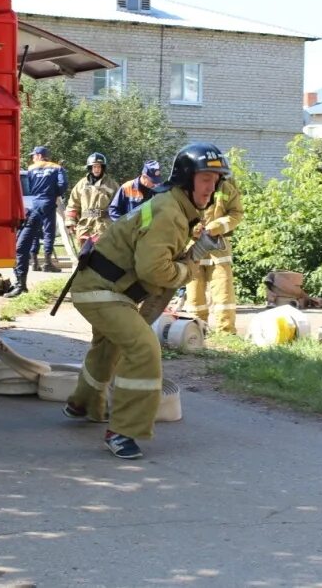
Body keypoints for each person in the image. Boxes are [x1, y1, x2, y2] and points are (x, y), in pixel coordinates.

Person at [63, 143, 229, 459]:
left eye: (216, 179)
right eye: (205, 178)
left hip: (103, 288)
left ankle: (81, 404)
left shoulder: (175, 207)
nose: (212, 186)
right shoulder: (171, 212)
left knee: (109, 346)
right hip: (101, 291)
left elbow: (161, 261)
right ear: (186, 178)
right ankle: (123, 431)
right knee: (143, 348)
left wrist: (194, 252)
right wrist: (191, 265)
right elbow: (155, 270)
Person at [183, 175, 244, 333]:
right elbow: (177, 213)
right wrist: (192, 228)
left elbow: (236, 213)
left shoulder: (226, 187)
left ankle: (226, 331)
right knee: (194, 293)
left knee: (223, 290)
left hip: (218, 247)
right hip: (193, 245)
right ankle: (196, 330)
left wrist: (215, 227)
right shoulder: (187, 184)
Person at [5, 146, 67, 297]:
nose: (33, 158)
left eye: (34, 155)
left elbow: (31, 186)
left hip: (34, 204)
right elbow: (63, 186)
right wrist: (53, 194)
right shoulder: (57, 168)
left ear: (39, 156)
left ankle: (31, 265)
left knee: (28, 238)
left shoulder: (31, 168)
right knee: (48, 231)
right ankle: (47, 262)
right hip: (48, 202)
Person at [65, 152, 120, 246]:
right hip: (85, 225)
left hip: (104, 225)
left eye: (99, 167)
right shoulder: (81, 185)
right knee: (84, 255)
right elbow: (73, 204)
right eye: (94, 167)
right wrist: (70, 222)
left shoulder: (112, 185)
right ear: (90, 168)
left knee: (102, 254)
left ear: (103, 168)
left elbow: (118, 206)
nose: (97, 169)